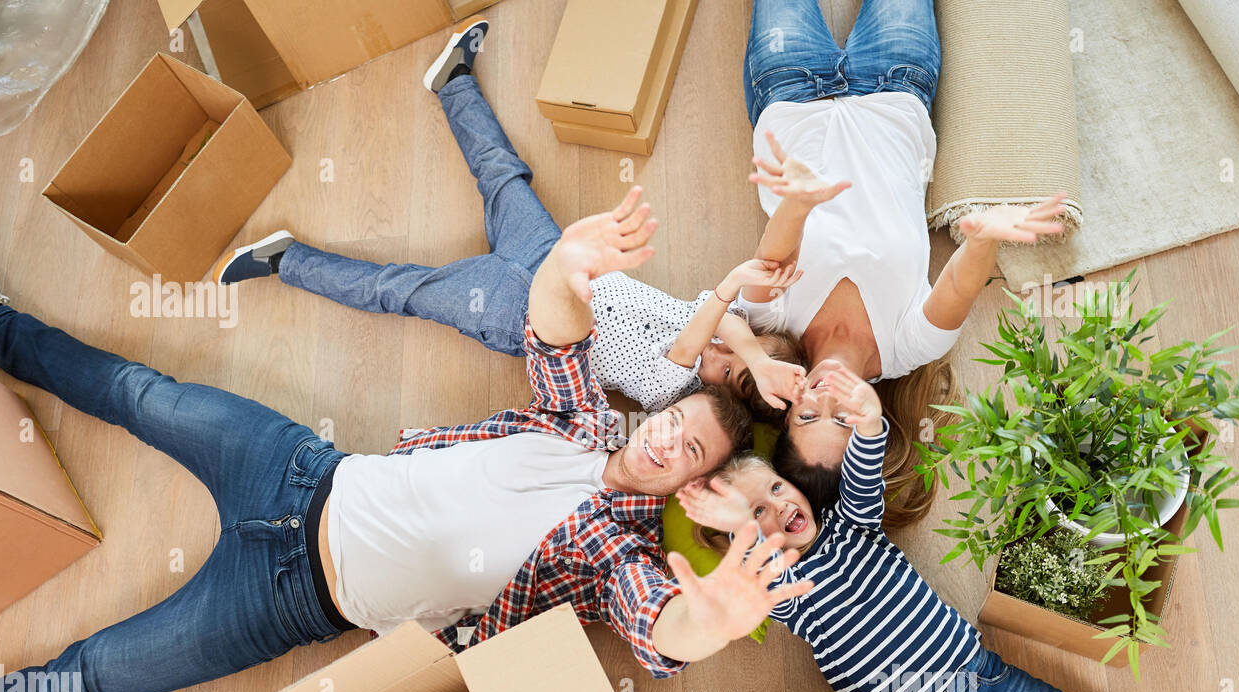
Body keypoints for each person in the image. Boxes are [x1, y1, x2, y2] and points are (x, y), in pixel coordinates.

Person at [0, 186, 814, 692]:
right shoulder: (583, 423)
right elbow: (556, 336)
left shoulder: (610, 557)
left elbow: (654, 628)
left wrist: (706, 625)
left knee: (91, 677)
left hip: (292, 601)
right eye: (672, 421)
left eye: (691, 453)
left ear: (685, 491)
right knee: (139, 392)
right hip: (297, 471)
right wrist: (565, 265)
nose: (668, 442)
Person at [676, 368, 1239, 692]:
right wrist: (738, 519)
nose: (780, 508)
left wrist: (868, 417)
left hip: (988, 685)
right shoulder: (779, 588)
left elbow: (863, 465)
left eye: (778, 490)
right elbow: (747, 576)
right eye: (756, 514)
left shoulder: (849, 525)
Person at [216, 18, 808, 422]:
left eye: (727, 376)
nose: (724, 357)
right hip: (553, 258)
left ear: (718, 396)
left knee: (397, 289)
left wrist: (742, 333)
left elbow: (698, 337)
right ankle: (452, 83)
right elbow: (724, 324)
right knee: (503, 175)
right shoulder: (717, 326)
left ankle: (284, 260)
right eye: (741, 350)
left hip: (514, 310)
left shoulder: (673, 389)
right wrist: (752, 351)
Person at [738, 0, 1066, 522]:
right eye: (842, 419)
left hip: (789, 93)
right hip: (895, 88)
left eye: (807, 414)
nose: (826, 398)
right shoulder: (909, 346)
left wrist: (799, 203)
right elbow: (956, 289)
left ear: (785, 413)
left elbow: (769, 258)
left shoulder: (773, 336)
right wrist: (982, 239)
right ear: (871, 421)